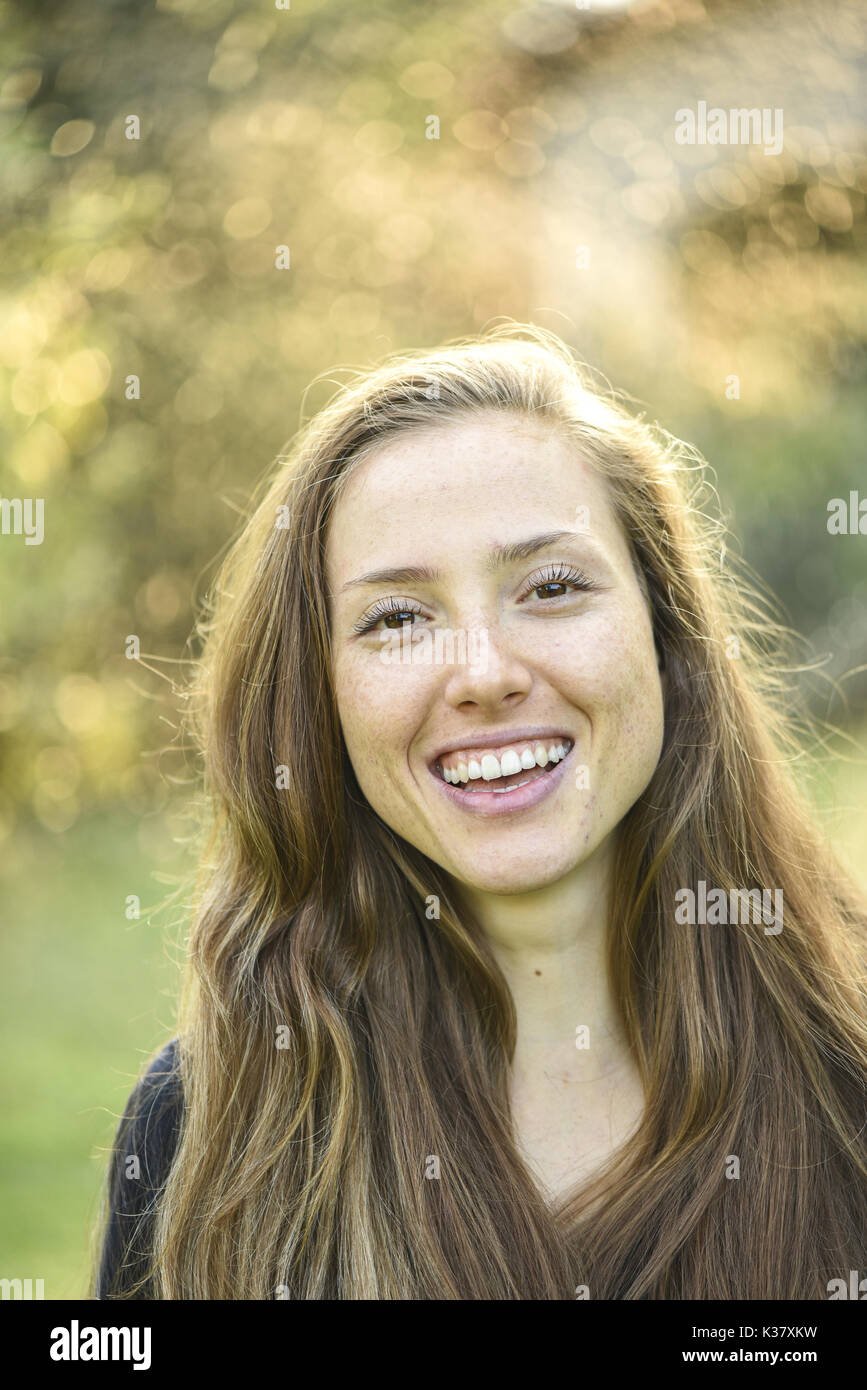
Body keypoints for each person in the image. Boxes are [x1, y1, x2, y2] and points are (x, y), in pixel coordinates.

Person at [94, 322, 867, 1300]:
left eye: (549, 587)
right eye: (398, 617)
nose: (483, 674)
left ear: (666, 636)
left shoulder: (851, 1067)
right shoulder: (202, 1125)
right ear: (319, 699)